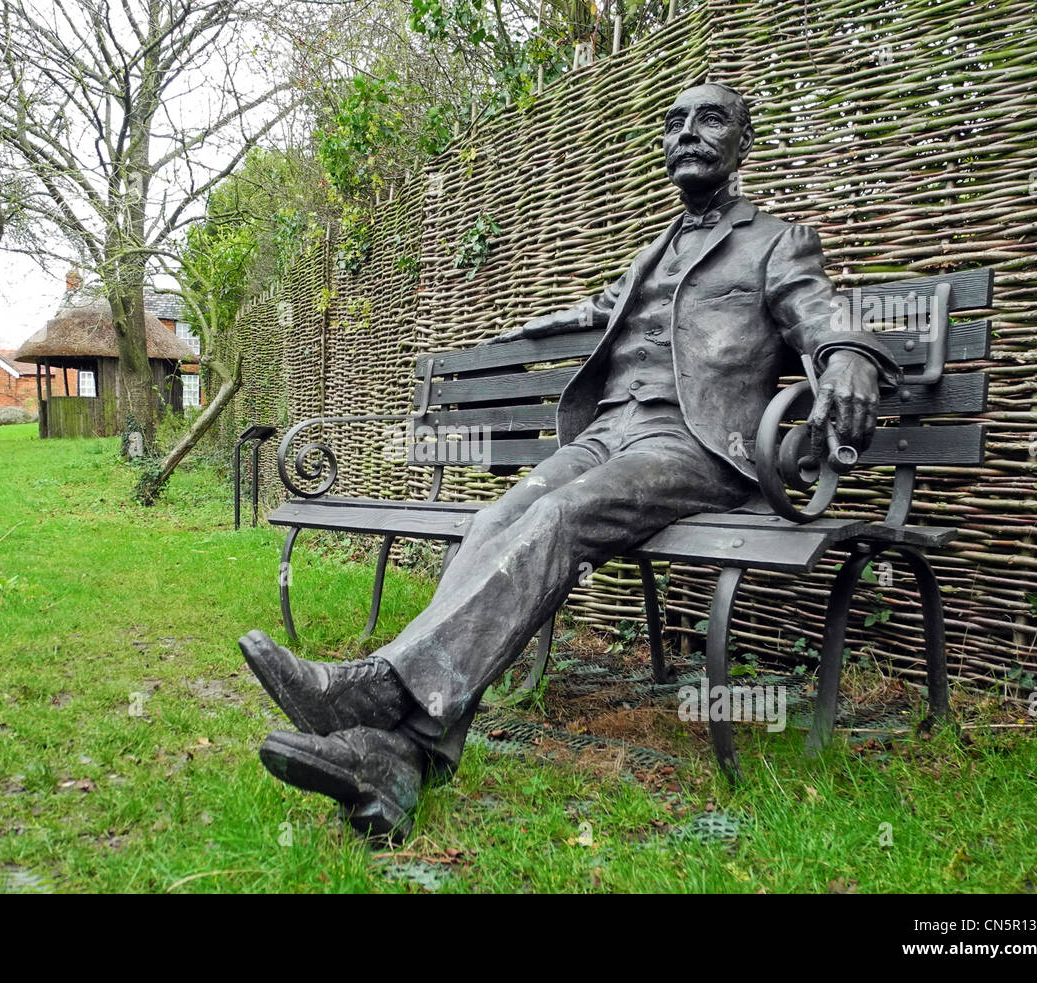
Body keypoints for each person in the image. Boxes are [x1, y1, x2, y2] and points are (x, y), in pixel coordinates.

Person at [239, 82, 901, 841]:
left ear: (743, 144)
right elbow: (617, 307)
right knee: (497, 515)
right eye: (674, 121)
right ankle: (397, 760)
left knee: (559, 516)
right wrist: (553, 320)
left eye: (710, 119)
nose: (688, 132)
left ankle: (376, 686)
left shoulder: (777, 241)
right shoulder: (657, 244)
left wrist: (847, 357)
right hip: (611, 430)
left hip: (697, 446)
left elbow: (823, 316)